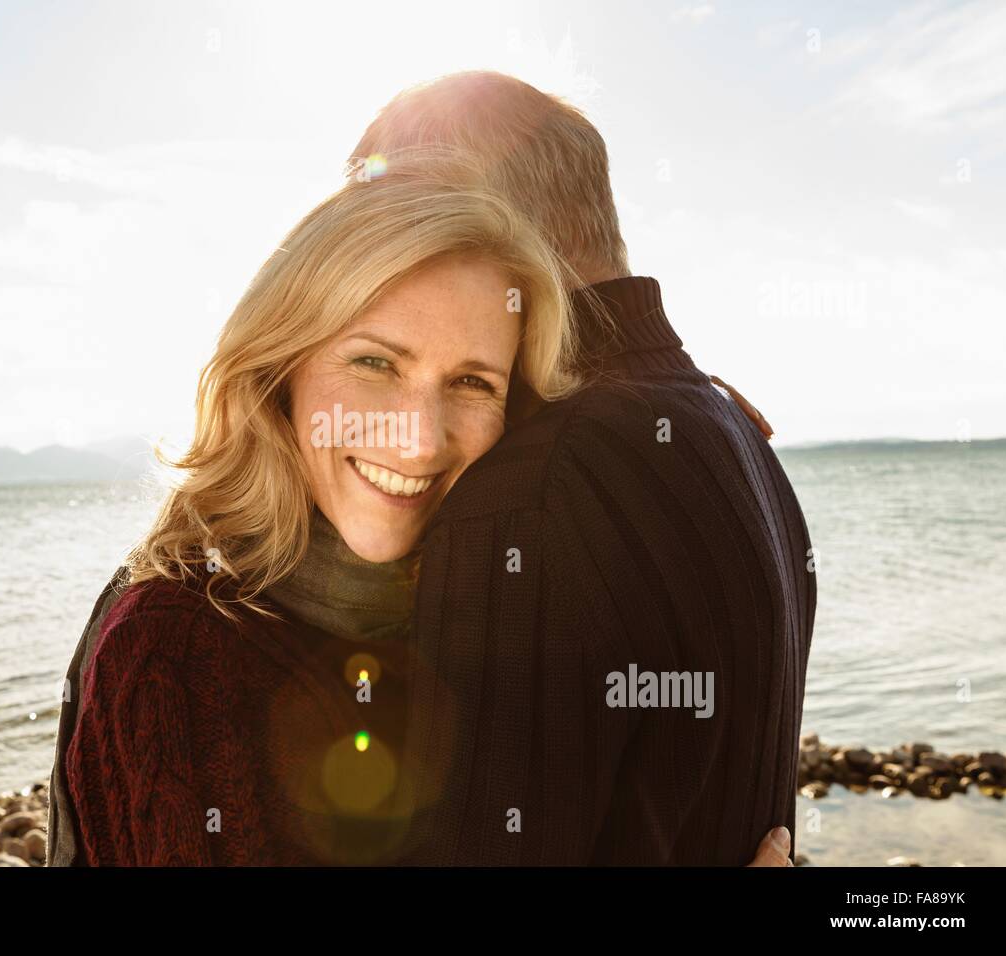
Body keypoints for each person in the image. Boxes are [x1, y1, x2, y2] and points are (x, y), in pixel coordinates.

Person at [348, 72, 816, 865]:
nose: (373, 279)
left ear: (474, 229)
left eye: (392, 239)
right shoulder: (732, 429)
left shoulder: (527, 497)